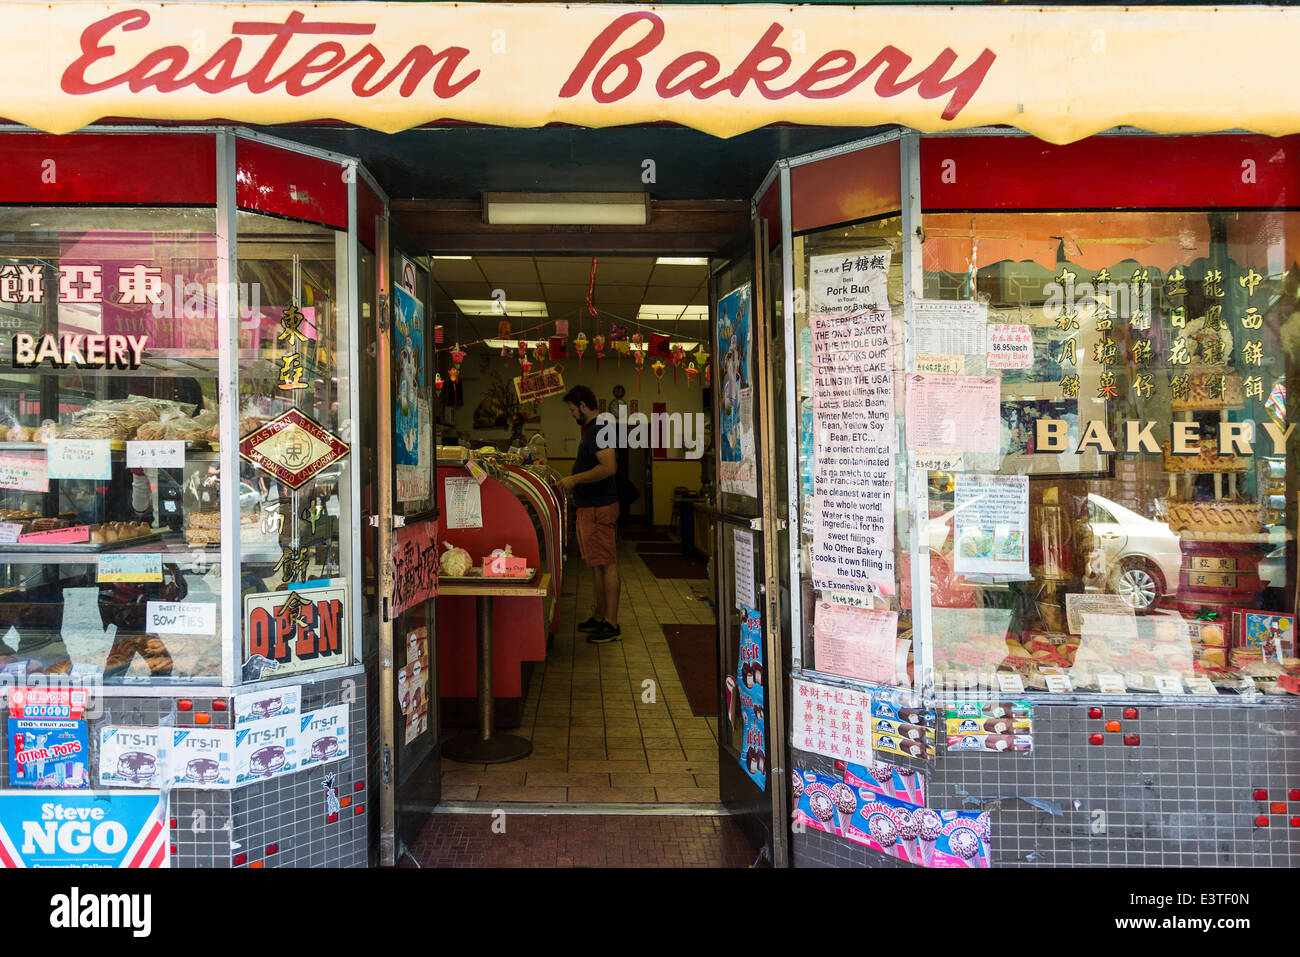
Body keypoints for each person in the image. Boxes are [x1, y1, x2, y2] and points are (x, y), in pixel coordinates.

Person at [558, 385, 621, 644]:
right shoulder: (593, 430)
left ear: (582, 405)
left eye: (573, 410)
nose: (573, 414)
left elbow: (609, 467)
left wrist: (574, 479)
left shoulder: (599, 430)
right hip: (591, 507)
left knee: (607, 564)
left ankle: (611, 623)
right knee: (597, 564)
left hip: (599, 507)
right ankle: (599, 615)